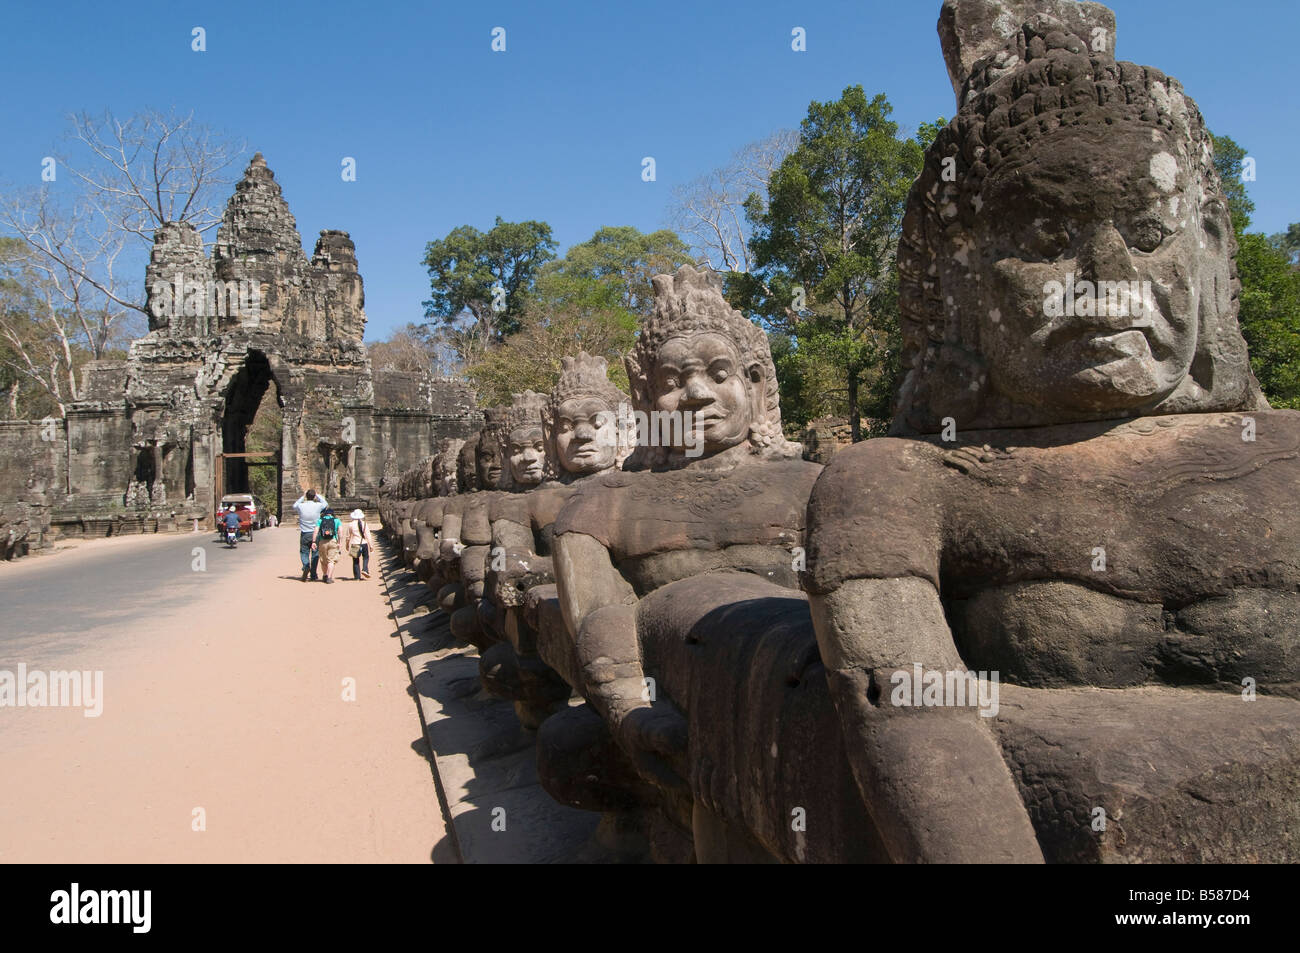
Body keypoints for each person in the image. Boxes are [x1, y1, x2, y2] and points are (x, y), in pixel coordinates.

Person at [293, 489, 328, 582]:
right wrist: (318, 495)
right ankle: (313, 574)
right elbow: (325, 503)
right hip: (315, 532)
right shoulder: (318, 506)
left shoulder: (301, 506)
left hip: (305, 533)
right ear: (314, 497)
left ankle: (306, 565)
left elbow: (294, 505)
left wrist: (302, 497)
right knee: (315, 554)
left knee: (304, 552)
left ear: (306, 496)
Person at [312, 506, 341, 584]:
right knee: (331, 560)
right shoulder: (337, 520)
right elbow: (340, 532)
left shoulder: (320, 520)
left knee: (323, 560)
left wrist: (314, 541)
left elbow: (316, 531)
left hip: (322, 541)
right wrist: (339, 542)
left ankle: (325, 575)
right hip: (333, 541)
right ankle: (329, 577)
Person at [340, 509, 371, 580]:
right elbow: (368, 535)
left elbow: (348, 537)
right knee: (366, 557)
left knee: (355, 561)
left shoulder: (350, 524)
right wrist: (371, 545)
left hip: (355, 543)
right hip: (363, 543)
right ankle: (365, 569)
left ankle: (357, 577)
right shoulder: (364, 523)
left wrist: (347, 545)